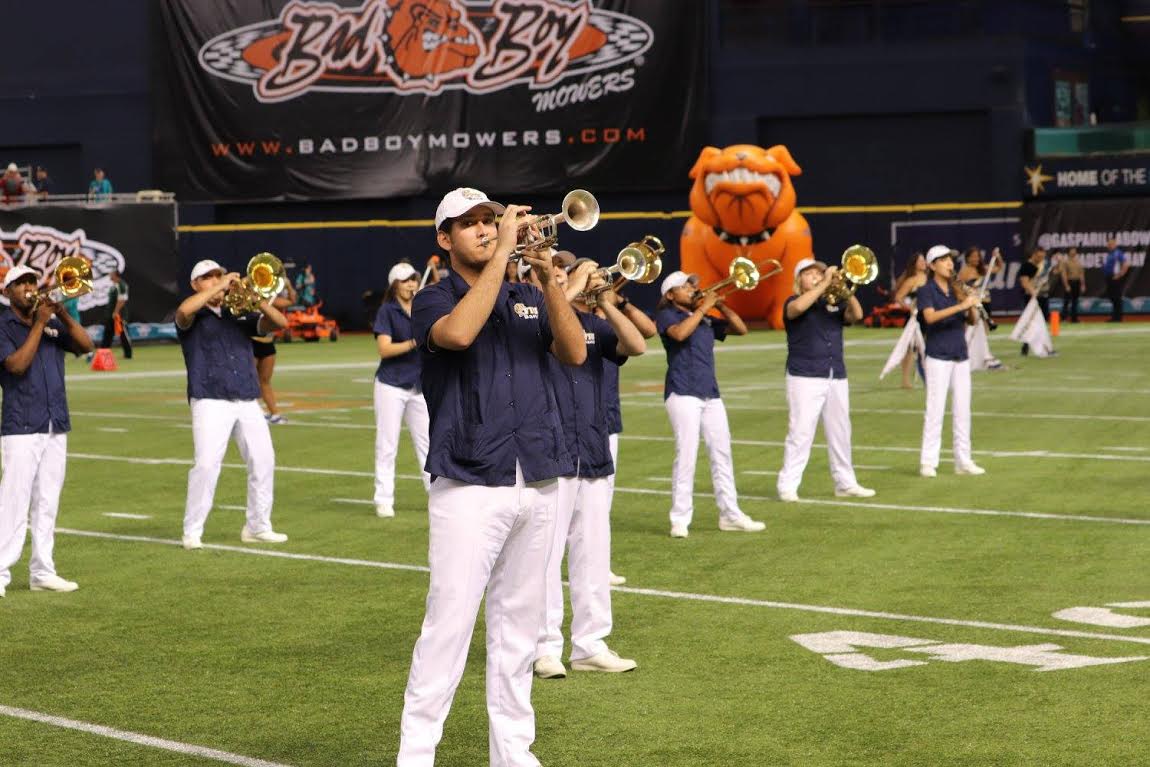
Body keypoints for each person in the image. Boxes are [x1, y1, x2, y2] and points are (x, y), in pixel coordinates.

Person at [397, 187, 587, 767]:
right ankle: (416, 755)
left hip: (540, 475)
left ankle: (513, 754)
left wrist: (549, 277)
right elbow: (458, 335)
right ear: (444, 238)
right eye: (471, 224)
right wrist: (505, 250)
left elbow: (575, 352)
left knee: (520, 632)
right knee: (448, 626)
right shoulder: (433, 298)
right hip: (470, 479)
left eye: (490, 220)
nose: (484, 229)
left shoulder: (526, 292)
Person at [532, 255, 646, 681]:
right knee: (544, 559)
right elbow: (550, 310)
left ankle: (590, 644)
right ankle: (544, 647)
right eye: (555, 277)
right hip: (553, 454)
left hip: (593, 451)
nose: (563, 282)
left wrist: (608, 300)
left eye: (565, 276)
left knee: (593, 554)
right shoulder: (535, 320)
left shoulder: (594, 324)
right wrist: (571, 284)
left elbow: (637, 345)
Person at [175, 259, 290, 550]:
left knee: (263, 460)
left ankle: (258, 526)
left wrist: (258, 300)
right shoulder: (194, 316)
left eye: (218, 274)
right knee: (206, 465)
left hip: (247, 398)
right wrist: (225, 283)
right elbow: (183, 311)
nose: (215, 280)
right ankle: (192, 529)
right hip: (210, 398)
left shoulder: (238, 311)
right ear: (195, 284)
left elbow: (280, 323)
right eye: (208, 277)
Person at [0, 266, 95, 597]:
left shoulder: (53, 322)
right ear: (7, 291)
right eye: (20, 283)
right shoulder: (4, 325)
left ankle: (43, 570)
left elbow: (86, 346)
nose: (28, 287)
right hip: (22, 425)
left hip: (56, 422)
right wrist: (40, 323)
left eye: (31, 282)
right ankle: (0, 571)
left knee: (47, 502)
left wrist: (62, 315)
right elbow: (15, 365)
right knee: (14, 501)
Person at [656, 270, 765, 538]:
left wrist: (721, 306)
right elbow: (680, 335)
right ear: (671, 295)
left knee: (722, 454)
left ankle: (730, 514)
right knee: (687, 455)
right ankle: (680, 518)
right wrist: (703, 307)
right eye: (685, 287)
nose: (693, 289)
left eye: (693, 285)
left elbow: (741, 329)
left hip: (710, 393)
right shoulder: (668, 315)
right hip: (682, 392)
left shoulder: (703, 317)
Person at [776, 258, 875, 502]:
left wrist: (846, 289)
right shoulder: (794, 301)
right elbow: (796, 310)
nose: (817, 276)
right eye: (810, 274)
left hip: (835, 374)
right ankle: (787, 485)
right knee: (800, 432)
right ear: (799, 279)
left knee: (841, 431)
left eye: (819, 273)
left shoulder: (833, 303)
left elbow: (857, 315)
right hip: (805, 375)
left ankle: (845, 483)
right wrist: (826, 283)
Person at [917, 245, 984, 478]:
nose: (949, 263)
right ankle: (928, 461)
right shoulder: (926, 290)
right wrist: (961, 305)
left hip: (960, 354)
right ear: (933, 265)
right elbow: (930, 317)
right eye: (943, 260)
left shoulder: (958, 288)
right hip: (938, 355)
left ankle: (963, 460)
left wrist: (972, 304)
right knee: (935, 409)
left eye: (950, 259)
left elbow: (973, 321)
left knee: (962, 410)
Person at [372, 261, 430, 518]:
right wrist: (412, 342)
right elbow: (384, 349)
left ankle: (435, 494)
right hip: (391, 385)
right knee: (387, 444)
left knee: (428, 445)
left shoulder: (422, 307)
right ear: (395, 284)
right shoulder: (387, 311)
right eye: (406, 280)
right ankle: (383, 499)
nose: (411, 284)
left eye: (413, 280)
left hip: (418, 385)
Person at [252, 279, 297, 424]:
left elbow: (291, 301)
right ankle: (255, 411)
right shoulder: (250, 299)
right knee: (250, 380)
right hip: (252, 343)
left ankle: (275, 414)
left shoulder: (272, 301)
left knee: (265, 381)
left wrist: (288, 285)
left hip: (268, 344)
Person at [891, 252, 928, 388]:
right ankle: (905, 380)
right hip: (915, 318)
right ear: (915, 264)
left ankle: (928, 378)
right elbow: (898, 297)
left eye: (924, 260)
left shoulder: (930, 277)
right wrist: (910, 308)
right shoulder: (911, 280)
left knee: (927, 347)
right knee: (910, 349)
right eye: (921, 261)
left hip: (929, 316)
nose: (924, 263)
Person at [1018, 248, 1052, 356]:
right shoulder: (1026, 266)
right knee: (1030, 321)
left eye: (1043, 257)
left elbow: (1052, 273)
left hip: (1043, 296)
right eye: (1039, 257)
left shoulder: (1044, 265)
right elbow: (1024, 282)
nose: (1041, 259)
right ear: (1034, 255)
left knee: (1044, 320)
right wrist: (1032, 292)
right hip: (1031, 297)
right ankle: (1026, 344)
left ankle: (1043, 344)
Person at [99, 270, 132, 359]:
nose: (109, 274)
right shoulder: (113, 286)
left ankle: (128, 354)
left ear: (115, 275)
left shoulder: (121, 285)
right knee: (107, 335)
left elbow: (122, 300)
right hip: (110, 315)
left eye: (111, 273)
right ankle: (103, 354)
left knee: (123, 334)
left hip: (119, 316)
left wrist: (116, 312)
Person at [1103, 238, 1129, 322]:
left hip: (1115, 278)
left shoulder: (1118, 253)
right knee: (1112, 297)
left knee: (1117, 298)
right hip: (1109, 278)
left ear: (1115, 244)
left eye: (1111, 244)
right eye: (1108, 244)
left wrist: (1119, 274)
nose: (1109, 246)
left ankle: (1118, 318)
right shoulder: (1109, 254)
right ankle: (1114, 316)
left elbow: (1126, 264)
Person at [1058, 247, 1086, 323]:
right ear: (1069, 252)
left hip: (1077, 282)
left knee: (1075, 301)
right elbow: (1063, 274)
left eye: (1074, 251)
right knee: (1066, 301)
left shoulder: (1078, 262)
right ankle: (1064, 318)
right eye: (1072, 251)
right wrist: (1066, 285)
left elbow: (1081, 274)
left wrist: (1083, 285)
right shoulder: (1065, 262)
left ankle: (1074, 319)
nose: (1073, 252)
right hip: (1069, 282)